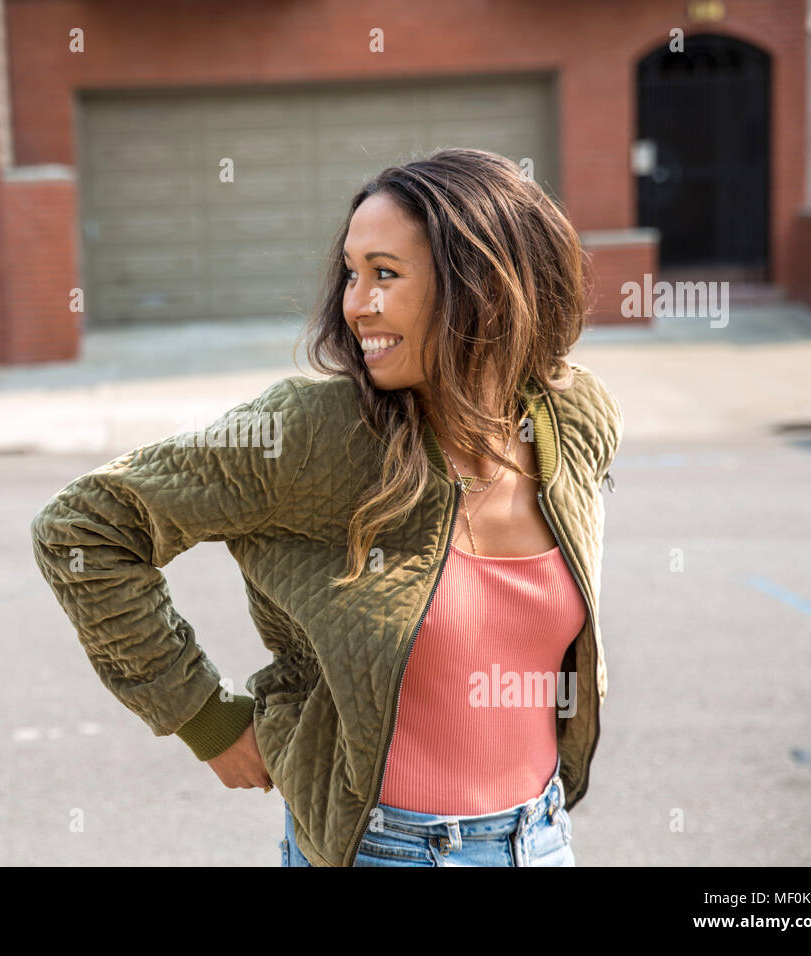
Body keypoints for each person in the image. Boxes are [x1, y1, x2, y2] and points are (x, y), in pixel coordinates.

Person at [30, 146, 623, 867]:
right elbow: (84, 527)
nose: (354, 303)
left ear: (484, 286)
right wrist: (201, 716)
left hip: (542, 838)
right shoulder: (316, 433)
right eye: (352, 272)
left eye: (386, 274)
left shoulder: (574, 415)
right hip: (385, 850)